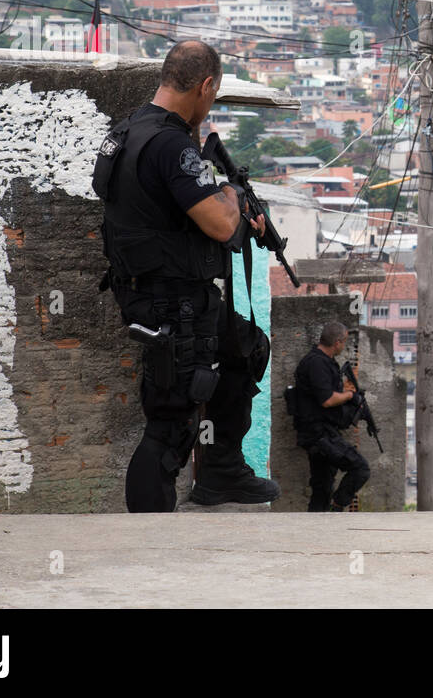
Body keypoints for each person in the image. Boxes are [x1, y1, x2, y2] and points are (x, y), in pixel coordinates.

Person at [93, 39, 280, 512]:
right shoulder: (172, 144)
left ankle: (221, 471)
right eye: (213, 95)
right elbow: (220, 223)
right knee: (170, 426)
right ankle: (149, 540)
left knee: (247, 348)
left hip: (172, 296)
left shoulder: (127, 131)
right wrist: (232, 195)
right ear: (206, 85)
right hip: (169, 304)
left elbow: (160, 206)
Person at [291, 321, 371, 512]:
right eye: (343, 343)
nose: (343, 346)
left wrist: (343, 391)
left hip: (321, 433)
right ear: (337, 342)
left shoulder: (324, 362)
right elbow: (327, 400)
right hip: (319, 434)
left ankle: (317, 528)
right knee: (360, 469)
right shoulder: (316, 363)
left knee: (322, 489)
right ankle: (338, 506)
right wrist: (350, 395)